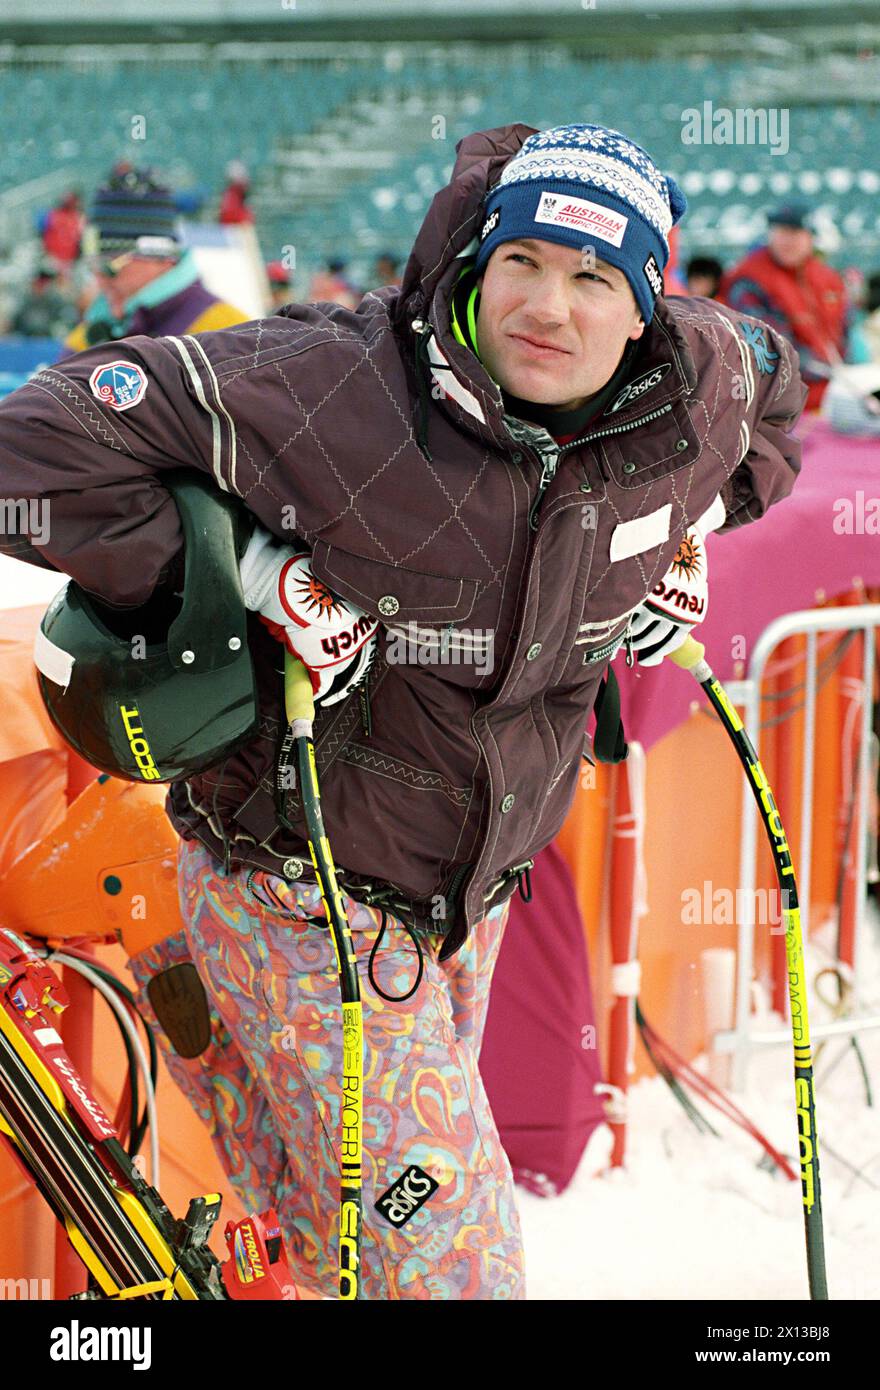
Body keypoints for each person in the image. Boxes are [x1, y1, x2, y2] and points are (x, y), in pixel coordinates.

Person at [0, 122, 807, 1300]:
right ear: (479, 261)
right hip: (293, 888)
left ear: (645, 308)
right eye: (521, 261)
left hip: (460, 902)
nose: (547, 305)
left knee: (329, 1264)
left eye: (593, 279)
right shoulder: (337, 381)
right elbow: (31, 453)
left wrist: (677, 536)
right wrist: (249, 575)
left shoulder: (700, 381)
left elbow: (775, 415)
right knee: (454, 1272)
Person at [63, 167, 248, 354]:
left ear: (160, 257)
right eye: (92, 267)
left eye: (110, 267)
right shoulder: (85, 338)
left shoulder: (227, 335)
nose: (100, 279)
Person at [718, 202, 847, 410]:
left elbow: (845, 331)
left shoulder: (828, 278)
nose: (788, 240)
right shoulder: (749, 279)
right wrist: (831, 374)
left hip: (832, 390)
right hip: (778, 397)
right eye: (781, 232)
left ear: (811, 237)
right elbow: (770, 348)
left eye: (796, 233)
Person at [8, 262, 77, 339]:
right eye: (40, 280)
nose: (43, 284)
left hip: (49, 343)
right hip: (27, 343)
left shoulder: (57, 301)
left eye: (46, 281)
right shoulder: (24, 301)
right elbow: (15, 324)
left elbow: (68, 320)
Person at [218, 160, 255, 227]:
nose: (247, 180)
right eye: (243, 177)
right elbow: (228, 217)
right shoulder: (231, 196)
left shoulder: (235, 196)